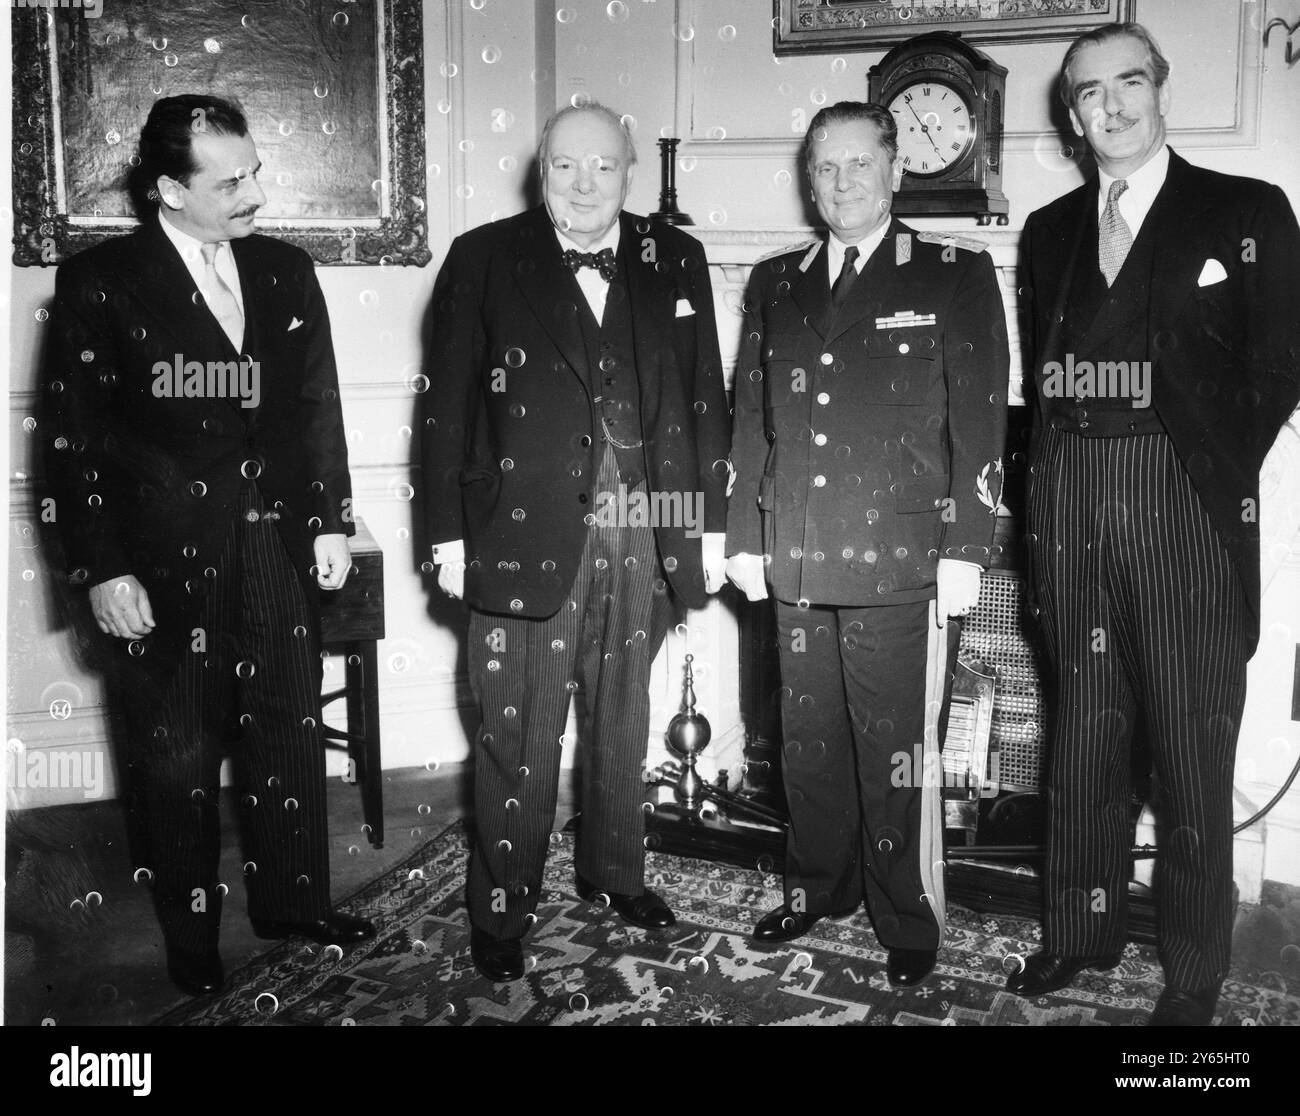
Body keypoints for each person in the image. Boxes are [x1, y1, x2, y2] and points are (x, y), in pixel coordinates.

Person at [43, 94, 375, 997]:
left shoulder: (283, 273)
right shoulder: (101, 284)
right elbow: (71, 446)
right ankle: (193, 943)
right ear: (166, 190)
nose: (256, 194)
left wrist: (331, 521)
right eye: (231, 181)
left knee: (287, 732)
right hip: (159, 563)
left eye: (256, 171)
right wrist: (101, 569)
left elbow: (316, 409)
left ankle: (295, 902)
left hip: (275, 545)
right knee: (178, 758)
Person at [1008, 23, 1300, 1025]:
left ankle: (1190, 974)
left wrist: (1201, 457)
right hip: (1071, 497)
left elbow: (1280, 361)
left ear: (1158, 88)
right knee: (1082, 741)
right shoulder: (1046, 231)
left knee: (1186, 747)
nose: (1111, 106)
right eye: (1089, 93)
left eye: (1127, 82)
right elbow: (1043, 383)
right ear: (1073, 112)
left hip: (1180, 497)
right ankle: (1076, 934)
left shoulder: (1244, 209)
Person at [421, 103, 730, 983]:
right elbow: (444, 408)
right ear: (541, 172)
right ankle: (504, 907)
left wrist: (705, 522)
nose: (585, 184)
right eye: (565, 167)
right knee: (516, 730)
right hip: (523, 530)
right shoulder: (484, 256)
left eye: (603, 166)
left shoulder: (677, 256)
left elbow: (703, 393)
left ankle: (614, 872)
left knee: (623, 712)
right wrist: (446, 535)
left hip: (646, 523)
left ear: (631, 170)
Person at [726, 101, 1008, 988]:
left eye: (858, 165)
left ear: (894, 170)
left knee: (895, 746)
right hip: (798, 554)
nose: (841, 183)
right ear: (808, 180)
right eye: (824, 168)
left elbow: (980, 421)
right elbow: (748, 424)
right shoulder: (776, 280)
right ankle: (818, 887)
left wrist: (968, 545)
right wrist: (740, 537)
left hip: (901, 560)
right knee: (807, 737)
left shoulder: (954, 274)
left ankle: (905, 910)